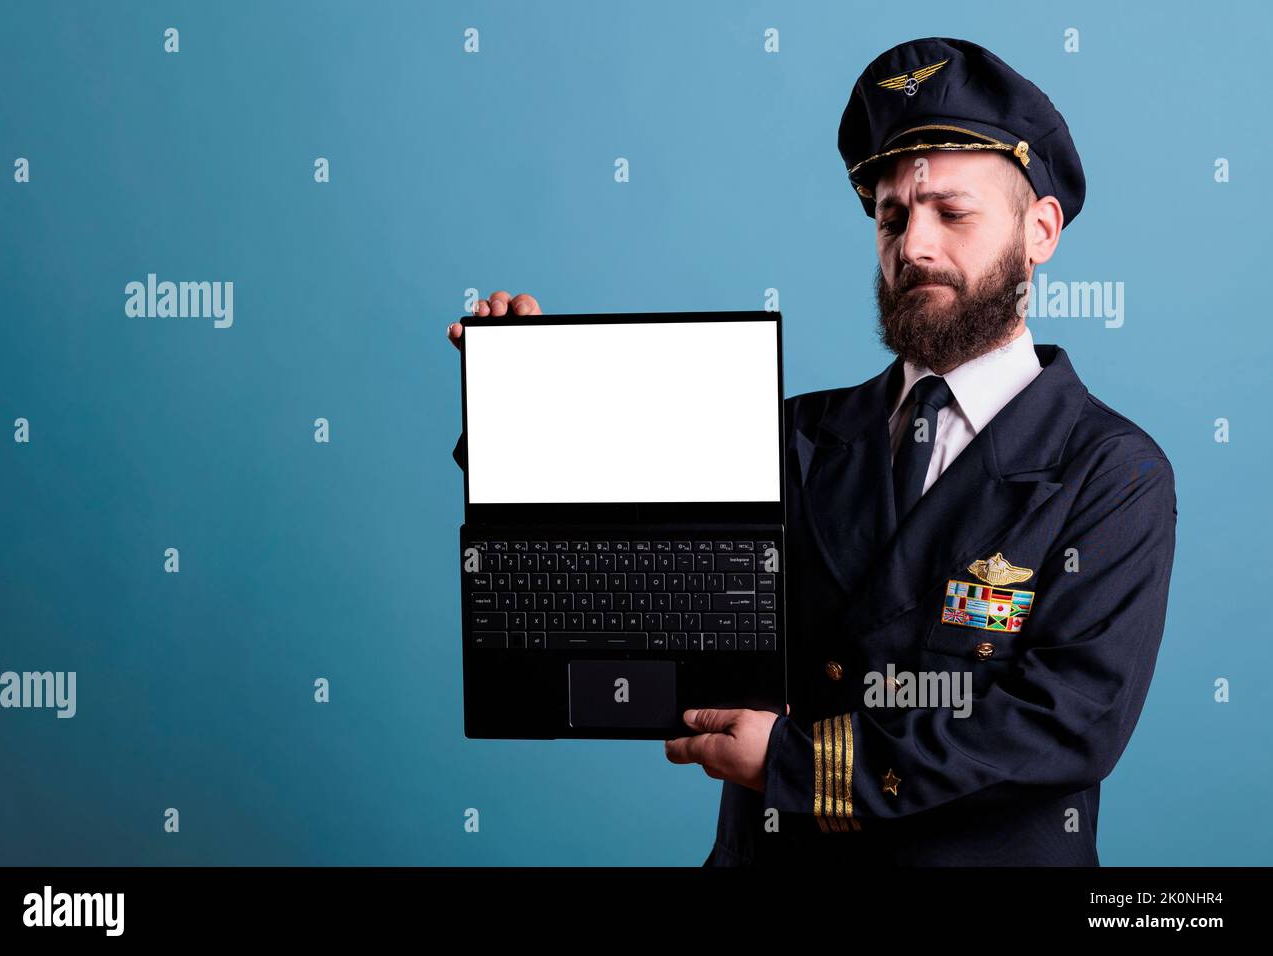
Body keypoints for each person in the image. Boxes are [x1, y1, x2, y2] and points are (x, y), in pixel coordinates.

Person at [446, 37, 1177, 866]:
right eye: (891, 216)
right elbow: (620, 542)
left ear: (1039, 230)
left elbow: (1064, 724)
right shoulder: (792, 433)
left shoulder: (1114, 473)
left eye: (952, 212)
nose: (914, 247)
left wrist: (797, 764)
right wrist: (525, 398)